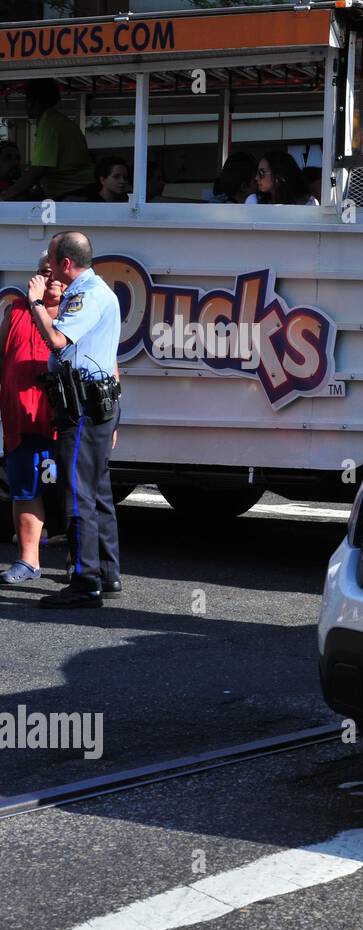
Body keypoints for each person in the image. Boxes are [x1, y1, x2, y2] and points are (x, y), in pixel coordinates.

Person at [26, 231, 122, 609]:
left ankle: (85, 582)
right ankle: (107, 573)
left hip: (82, 406)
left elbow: (58, 341)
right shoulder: (97, 291)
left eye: (51, 258)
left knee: (79, 493)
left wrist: (34, 302)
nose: (47, 266)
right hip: (96, 402)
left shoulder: (87, 296)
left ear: (67, 263)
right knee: (98, 490)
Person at [0, 252, 62, 585]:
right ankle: (28, 561)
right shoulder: (16, 310)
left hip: (60, 420)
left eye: (54, 274)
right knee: (24, 488)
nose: (48, 279)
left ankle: (79, 564)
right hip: (20, 418)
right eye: (42, 272)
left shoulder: (74, 312)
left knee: (69, 492)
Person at [0, 81, 94, 201]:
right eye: (7, 158)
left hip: (74, 193)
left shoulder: (49, 123)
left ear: (36, 101)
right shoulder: (57, 121)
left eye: (29, 99)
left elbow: (38, 170)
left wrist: (4, 197)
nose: (27, 104)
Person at [247, 150, 318, 205]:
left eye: (261, 173)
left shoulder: (309, 204)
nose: (256, 178)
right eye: (257, 172)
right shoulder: (254, 201)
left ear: (279, 175)